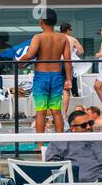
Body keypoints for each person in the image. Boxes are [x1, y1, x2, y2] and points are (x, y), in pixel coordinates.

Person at [17, 7, 72, 135]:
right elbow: (68, 61)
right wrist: (68, 79)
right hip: (57, 76)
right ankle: (60, 145)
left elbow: (30, 54)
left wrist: (19, 62)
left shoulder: (38, 37)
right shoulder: (63, 38)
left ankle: (40, 145)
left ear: (41, 22)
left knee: (40, 112)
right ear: (55, 22)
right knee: (56, 111)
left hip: (42, 77)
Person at [60, 22, 85, 118]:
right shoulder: (72, 39)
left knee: (55, 89)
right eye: (70, 30)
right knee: (66, 90)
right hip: (67, 63)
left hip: (56, 63)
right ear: (68, 30)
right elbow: (81, 51)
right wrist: (74, 52)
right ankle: (64, 113)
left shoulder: (56, 38)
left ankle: (54, 112)